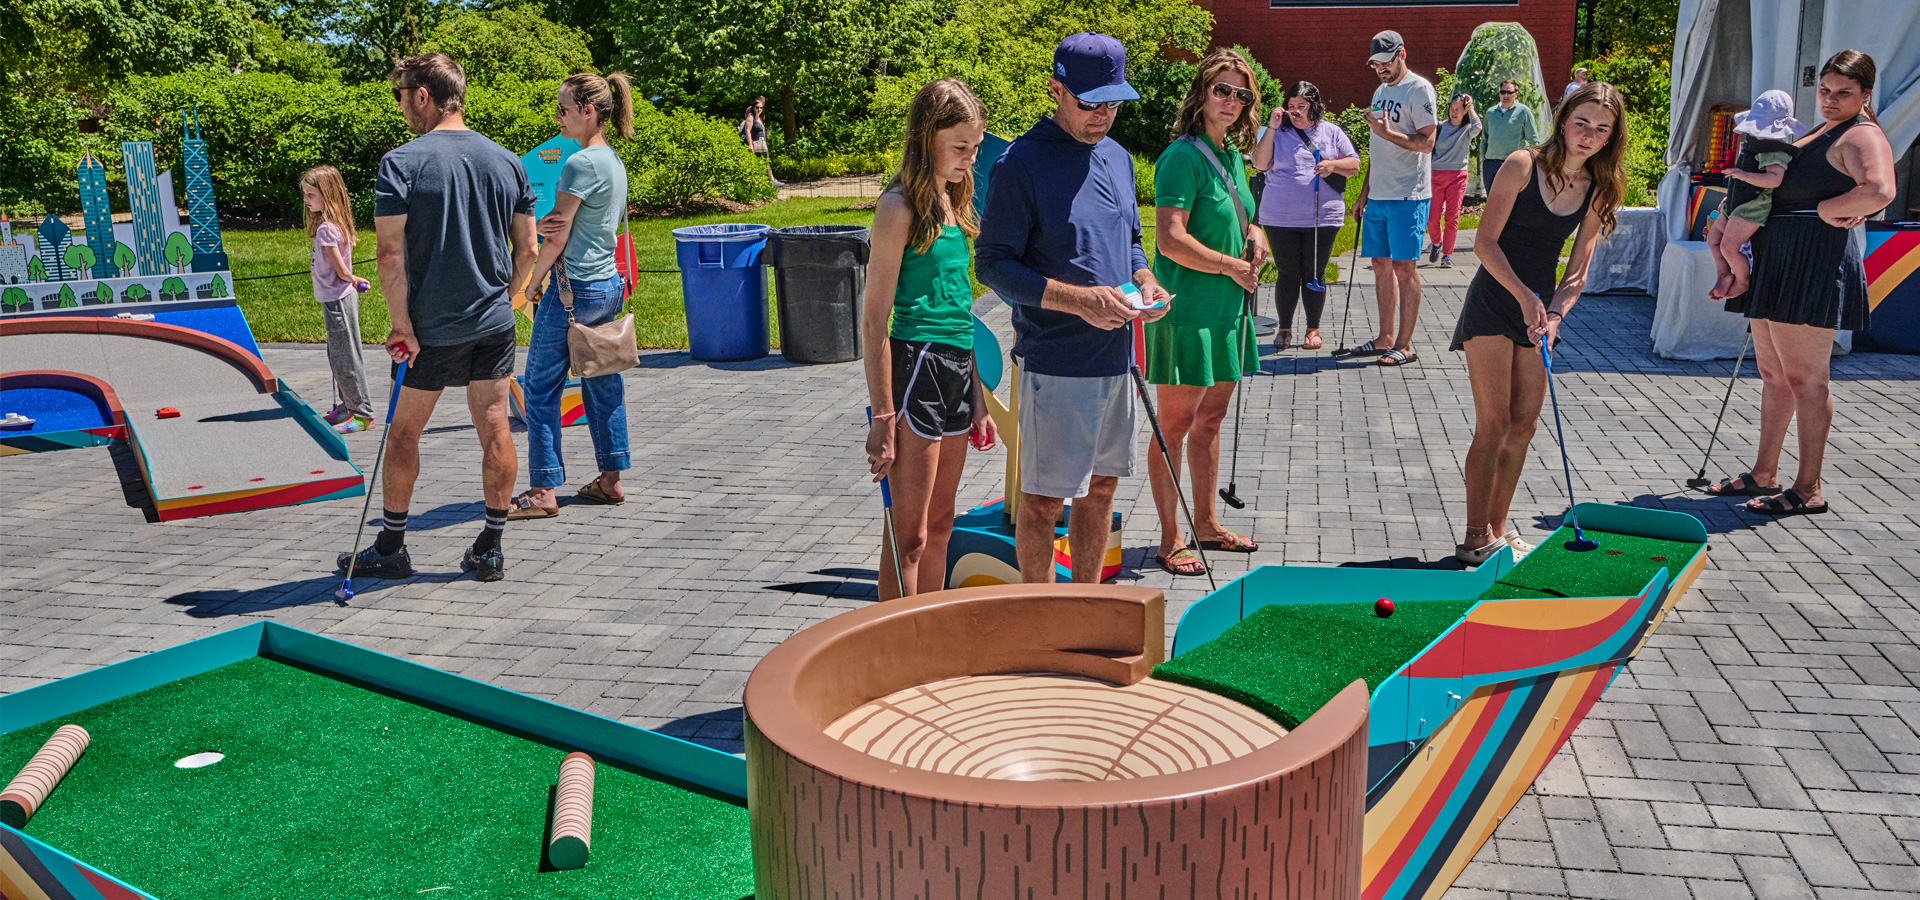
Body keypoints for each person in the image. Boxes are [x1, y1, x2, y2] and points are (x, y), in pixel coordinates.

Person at [976, 32, 1171, 584]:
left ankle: (1082, 607)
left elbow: (1130, 240)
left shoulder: (1117, 158)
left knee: (1103, 489)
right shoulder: (1021, 164)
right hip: (1056, 363)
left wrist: (1145, 279)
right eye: (1090, 102)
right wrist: (1077, 301)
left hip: (1117, 359)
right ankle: (1037, 617)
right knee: (1042, 503)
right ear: (1056, 90)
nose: (1103, 115)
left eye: (1113, 102)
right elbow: (991, 264)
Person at [337, 53, 538, 584]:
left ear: (422, 95)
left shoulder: (401, 162)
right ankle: (490, 547)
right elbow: (529, 250)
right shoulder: (508, 161)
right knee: (495, 426)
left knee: (403, 433)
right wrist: (511, 301)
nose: (401, 106)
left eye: (401, 96)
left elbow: (388, 255)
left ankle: (392, 547)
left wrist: (401, 325)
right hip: (493, 323)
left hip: (428, 330)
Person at [1705, 50, 1894, 516]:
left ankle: (1808, 487)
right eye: (1825, 90)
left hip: (1813, 262)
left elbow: (1881, 189)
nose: (1830, 100)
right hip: (1781, 260)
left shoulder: (1861, 134)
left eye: (1843, 93)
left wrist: (1833, 210)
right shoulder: (1824, 130)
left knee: (1807, 380)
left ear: (1866, 95)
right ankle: (1764, 472)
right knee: (1775, 376)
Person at [1450, 82, 1628, 564]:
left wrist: (1553, 316)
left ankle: (1498, 532)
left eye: (1601, 129)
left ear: (1612, 136)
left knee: (1524, 425)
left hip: (1536, 314)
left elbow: (1578, 271)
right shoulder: (1522, 164)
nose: (1589, 136)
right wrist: (1527, 297)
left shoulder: (1599, 187)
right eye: (1582, 124)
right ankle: (1472, 537)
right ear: (1563, 120)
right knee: (1494, 423)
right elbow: (1485, 244)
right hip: (1495, 299)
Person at [861, 78, 996, 599]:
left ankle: (931, 640)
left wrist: (979, 397)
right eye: (960, 147)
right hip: (915, 367)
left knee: (942, 526)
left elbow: (962, 313)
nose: (969, 158)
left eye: (975, 147)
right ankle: (893, 651)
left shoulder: (952, 202)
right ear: (926, 139)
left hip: (958, 370)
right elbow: (874, 319)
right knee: (909, 536)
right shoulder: (898, 208)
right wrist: (882, 418)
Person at [1143, 48, 1271, 577]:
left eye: (1242, 94)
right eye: (1222, 90)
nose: (1232, 101)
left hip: (1226, 309)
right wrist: (1227, 265)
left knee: (1211, 419)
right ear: (1202, 93)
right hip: (1188, 309)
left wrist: (1256, 233)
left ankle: (1209, 523)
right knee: (1173, 425)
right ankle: (1171, 538)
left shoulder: (1234, 155)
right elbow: (1169, 239)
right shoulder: (1182, 156)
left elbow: (1241, 214)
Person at [507, 72, 636, 520]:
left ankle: (543, 490)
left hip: (571, 290)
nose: (557, 116)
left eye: (563, 108)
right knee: (603, 382)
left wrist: (532, 282)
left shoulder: (579, 164)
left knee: (541, 389)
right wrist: (550, 225)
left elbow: (557, 237)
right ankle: (610, 479)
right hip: (606, 286)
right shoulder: (612, 161)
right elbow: (578, 225)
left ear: (589, 111)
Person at [1348, 30, 1438, 367]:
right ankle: (1384, 338)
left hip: (1408, 195)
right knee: (1379, 265)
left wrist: (1389, 133)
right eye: (1375, 64)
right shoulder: (1380, 91)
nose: (1380, 69)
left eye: (1385, 63)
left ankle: (1405, 344)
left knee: (1404, 268)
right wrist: (1365, 192)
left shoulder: (1419, 89)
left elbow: (1427, 143)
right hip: (1379, 195)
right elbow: (1378, 147)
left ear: (1402, 54)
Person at [1252, 81, 1358, 351]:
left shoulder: (1331, 131)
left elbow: (1354, 164)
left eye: (1301, 107)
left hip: (1322, 217)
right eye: (1290, 107)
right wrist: (1273, 127)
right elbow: (1260, 164)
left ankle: (1313, 328)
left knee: (1315, 272)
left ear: (1315, 107)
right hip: (1280, 217)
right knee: (1287, 273)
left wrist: (1332, 164)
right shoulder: (1274, 132)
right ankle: (1285, 328)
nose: (1295, 112)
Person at [1706, 90, 1803, 301]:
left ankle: (1742, 281)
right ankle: (1724, 273)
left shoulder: (1775, 151)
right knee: (1713, 239)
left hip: (1752, 206)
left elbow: (1775, 179)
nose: (1755, 132)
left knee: (1728, 247)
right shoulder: (1754, 144)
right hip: (1736, 202)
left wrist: (1743, 175)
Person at [300, 164, 374, 435]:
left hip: (337, 300)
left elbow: (341, 271)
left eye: (311, 195)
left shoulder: (326, 231)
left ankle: (362, 414)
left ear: (327, 195)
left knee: (346, 357)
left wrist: (353, 279)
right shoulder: (332, 226)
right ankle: (346, 406)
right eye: (306, 195)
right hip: (334, 299)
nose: (306, 201)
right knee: (338, 354)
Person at [1426, 93, 1482, 267]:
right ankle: (1436, 242)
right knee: (1432, 218)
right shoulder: (1440, 127)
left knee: (1452, 217)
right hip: (1436, 175)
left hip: (1458, 176)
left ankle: (1447, 255)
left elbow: (1478, 126)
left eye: (1458, 109)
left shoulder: (1467, 130)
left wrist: (1470, 105)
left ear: (1464, 111)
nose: (1454, 112)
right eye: (1452, 109)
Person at [1483, 80, 1540, 189]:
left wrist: (1534, 163)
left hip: (1512, 163)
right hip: (1490, 164)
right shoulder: (1490, 113)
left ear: (1516, 94)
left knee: (1511, 201)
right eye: (1503, 92)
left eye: (1509, 92)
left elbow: (1533, 140)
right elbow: (1485, 138)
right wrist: (1483, 158)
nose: (1506, 95)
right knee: (1491, 201)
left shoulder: (1523, 112)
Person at [741, 97, 783, 188]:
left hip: (762, 145)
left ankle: (771, 181)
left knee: (766, 162)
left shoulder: (760, 118)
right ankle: (757, 183)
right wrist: (750, 144)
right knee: (755, 164)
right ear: (753, 108)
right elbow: (748, 131)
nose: (759, 109)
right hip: (756, 144)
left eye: (761, 108)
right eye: (757, 107)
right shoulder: (750, 118)